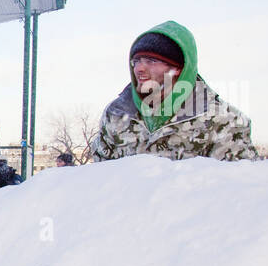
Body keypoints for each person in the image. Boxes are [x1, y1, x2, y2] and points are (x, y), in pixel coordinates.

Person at [92, 21, 256, 162]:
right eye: (136, 61)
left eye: (151, 61)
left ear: (178, 68)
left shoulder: (223, 121)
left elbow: (235, 190)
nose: (139, 69)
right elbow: (104, 183)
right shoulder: (116, 115)